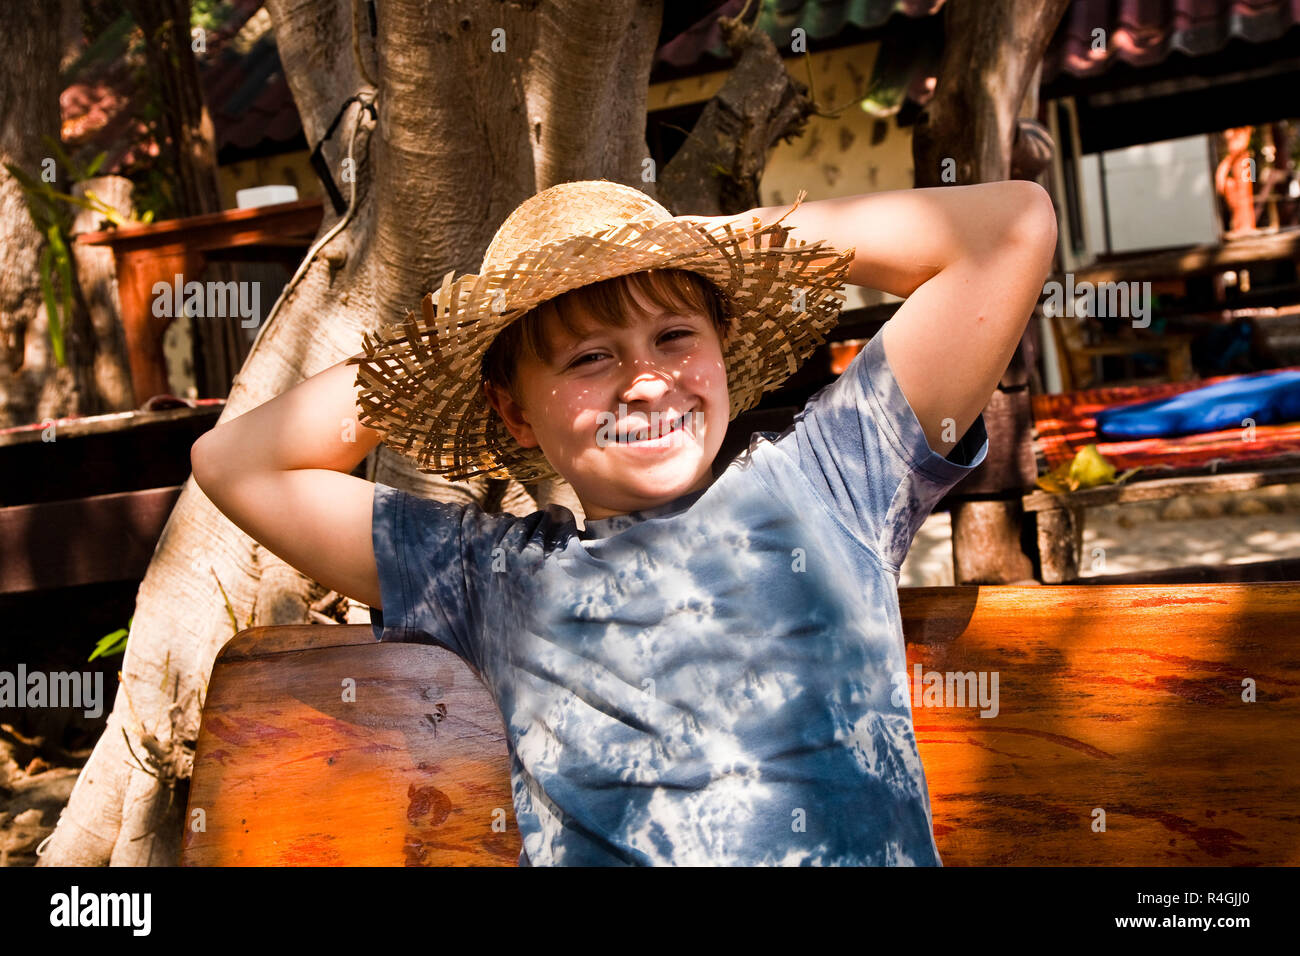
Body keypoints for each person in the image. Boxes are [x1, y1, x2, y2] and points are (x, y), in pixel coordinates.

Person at [191, 178, 1057, 865]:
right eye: (590, 357)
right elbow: (235, 463)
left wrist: (734, 236)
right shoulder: (492, 576)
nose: (646, 380)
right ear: (516, 415)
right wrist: (455, 339)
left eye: (676, 336)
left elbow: (1011, 227)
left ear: (720, 353)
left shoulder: (833, 480)